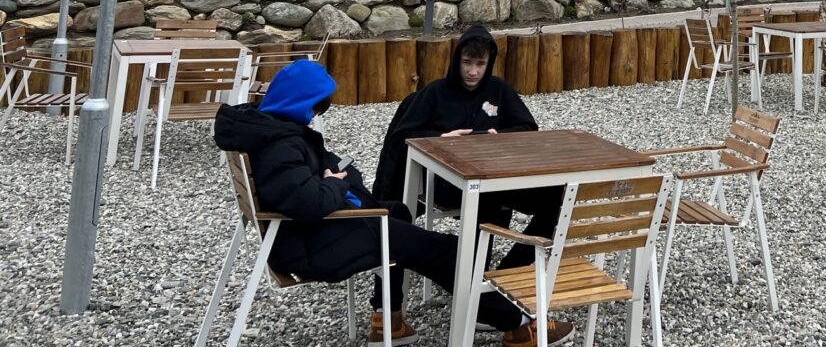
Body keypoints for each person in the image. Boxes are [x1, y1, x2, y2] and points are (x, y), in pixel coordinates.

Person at [215, 58, 570, 347]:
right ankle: (519, 326)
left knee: (397, 211)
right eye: (316, 106)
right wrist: (335, 184)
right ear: (300, 102)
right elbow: (308, 201)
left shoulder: (269, 128)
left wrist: (333, 177)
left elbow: (320, 176)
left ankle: (388, 319)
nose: (318, 114)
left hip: (311, 232)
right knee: (447, 251)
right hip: (309, 246)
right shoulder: (281, 145)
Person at [374, 25, 562, 269]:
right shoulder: (435, 92)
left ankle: (508, 271)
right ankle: (471, 275)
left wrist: (500, 136)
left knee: (558, 194)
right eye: (467, 63)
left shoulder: (498, 89)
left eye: (480, 64)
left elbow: (527, 127)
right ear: (457, 61)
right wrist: (442, 138)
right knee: (485, 197)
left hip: (496, 178)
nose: (473, 72)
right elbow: (403, 136)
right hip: (445, 181)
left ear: (489, 63)